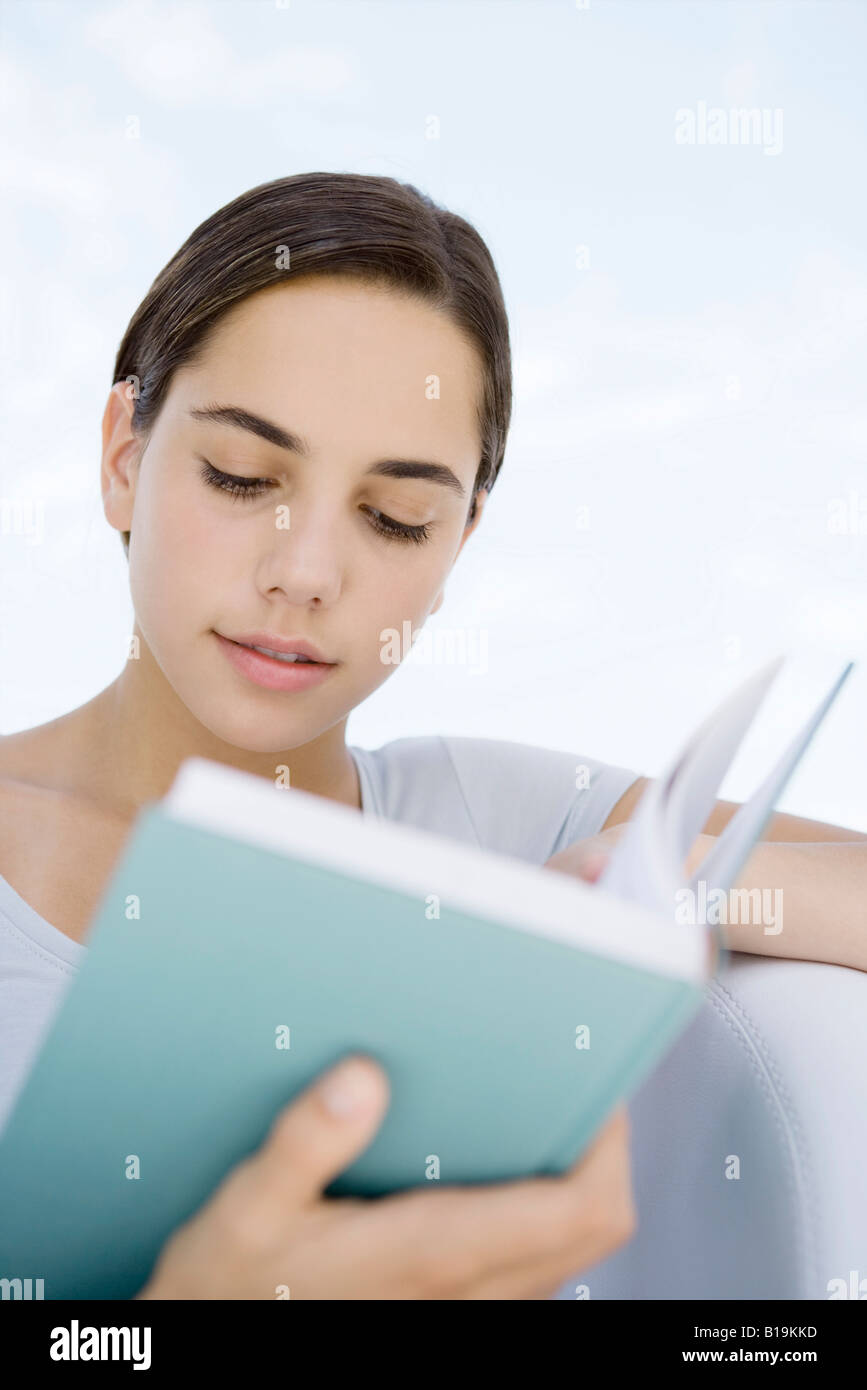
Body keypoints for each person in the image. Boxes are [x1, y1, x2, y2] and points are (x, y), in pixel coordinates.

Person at [1, 172, 862, 1299]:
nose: (304, 573)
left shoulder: (502, 820)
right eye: (241, 474)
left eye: (395, 516)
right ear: (125, 453)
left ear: (458, 540)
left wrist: (680, 875)